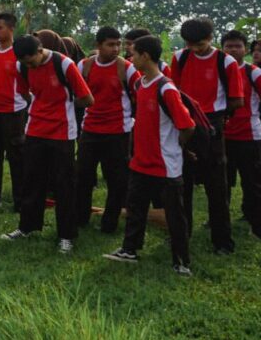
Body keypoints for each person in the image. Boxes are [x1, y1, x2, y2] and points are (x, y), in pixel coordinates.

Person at [104, 35, 194, 275]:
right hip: (141, 162)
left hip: (165, 166)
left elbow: (187, 125)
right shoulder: (139, 84)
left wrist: (174, 147)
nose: (129, 59)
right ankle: (129, 250)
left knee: (175, 215)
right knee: (135, 209)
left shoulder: (166, 88)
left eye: (133, 54)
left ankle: (181, 261)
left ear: (145, 56)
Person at [2, 34, 93, 254]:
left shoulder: (63, 64)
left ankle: (66, 235)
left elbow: (87, 98)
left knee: (64, 185)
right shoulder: (21, 67)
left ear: (40, 50)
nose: (29, 66)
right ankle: (27, 227)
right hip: (34, 130)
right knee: (32, 181)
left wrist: (63, 106)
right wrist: (41, 106)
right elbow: (25, 93)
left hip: (62, 132)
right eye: (25, 63)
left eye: (31, 61)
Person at [171, 17, 243, 254]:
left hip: (212, 125)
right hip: (185, 122)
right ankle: (183, 234)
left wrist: (218, 121)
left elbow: (236, 99)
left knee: (216, 187)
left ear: (210, 39)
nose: (194, 49)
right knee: (183, 184)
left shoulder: (226, 62)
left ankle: (222, 241)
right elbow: (174, 93)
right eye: (190, 44)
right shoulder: (180, 58)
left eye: (199, 45)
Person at [75, 27, 141, 233]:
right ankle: (80, 217)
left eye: (118, 44)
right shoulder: (84, 66)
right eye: (110, 44)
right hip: (90, 129)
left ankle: (110, 222)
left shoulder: (127, 68)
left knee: (117, 180)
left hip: (118, 132)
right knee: (83, 176)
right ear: (98, 45)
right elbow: (76, 93)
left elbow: (140, 94)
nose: (116, 48)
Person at [0, 12, 27, 210]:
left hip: (14, 112)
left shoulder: (19, 54)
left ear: (11, 29)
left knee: (16, 158)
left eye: (0, 27)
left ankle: (20, 199)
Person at [220, 29, 261, 239]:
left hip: (249, 136)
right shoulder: (219, 72)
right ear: (222, 49)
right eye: (229, 46)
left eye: (238, 46)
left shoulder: (253, 72)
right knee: (221, 181)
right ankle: (219, 218)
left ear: (245, 49)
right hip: (223, 136)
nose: (233, 49)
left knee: (252, 182)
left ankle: (255, 223)